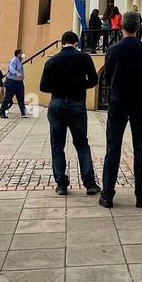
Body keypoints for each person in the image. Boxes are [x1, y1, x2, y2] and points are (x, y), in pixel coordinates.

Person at [99, 10, 142, 209]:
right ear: (138, 27)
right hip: (139, 103)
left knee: (112, 148)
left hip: (117, 103)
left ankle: (107, 195)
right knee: (141, 149)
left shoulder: (112, 50)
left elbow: (106, 77)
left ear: (122, 26)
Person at [39, 30, 100, 197]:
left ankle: (61, 184)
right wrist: (81, 85)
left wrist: (59, 87)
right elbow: (94, 80)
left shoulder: (52, 61)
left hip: (57, 103)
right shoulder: (84, 58)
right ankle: (90, 183)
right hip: (77, 103)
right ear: (76, 43)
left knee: (57, 145)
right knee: (81, 144)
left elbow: (43, 86)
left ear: (62, 42)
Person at [0, 49, 26, 119]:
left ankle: (23, 112)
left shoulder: (20, 61)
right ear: (18, 54)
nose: (23, 54)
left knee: (21, 97)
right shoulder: (14, 60)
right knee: (8, 98)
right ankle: (2, 112)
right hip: (12, 82)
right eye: (21, 53)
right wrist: (17, 73)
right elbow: (11, 68)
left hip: (19, 82)